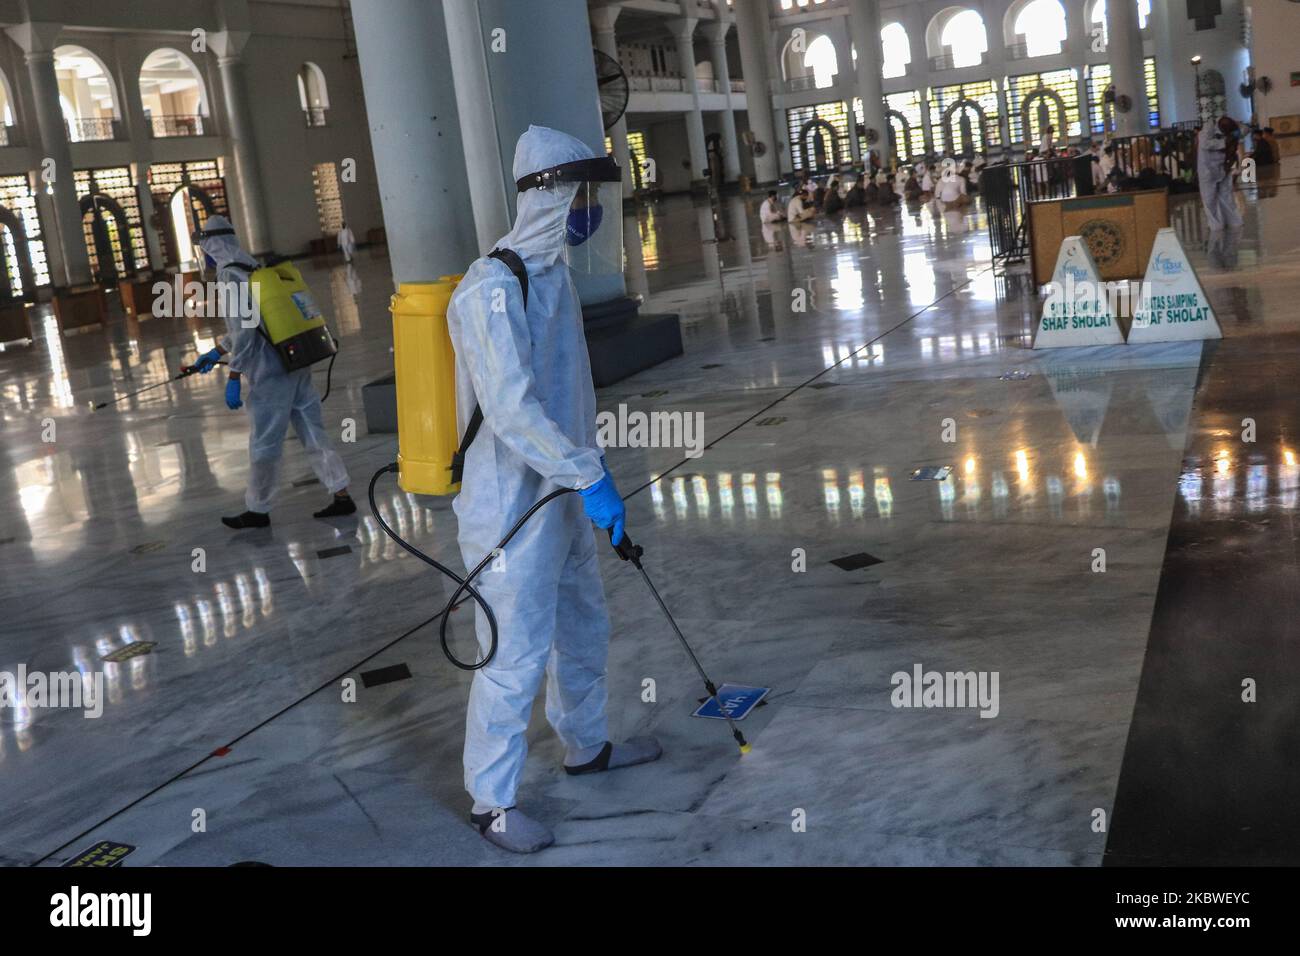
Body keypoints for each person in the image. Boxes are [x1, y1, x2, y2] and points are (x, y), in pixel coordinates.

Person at [445, 126, 661, 854]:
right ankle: (492, 803)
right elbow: (511, 412)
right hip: (507, 507)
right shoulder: (487, 290)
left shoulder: (555, 279)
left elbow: (568, 395)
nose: (589, 209)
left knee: (581, 623)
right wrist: (587, 474)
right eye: (582, 195)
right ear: (550, 196)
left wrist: (586, 474)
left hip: (564, 493)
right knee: (513, 652)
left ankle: (586, 745)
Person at [188, 216, 354, 528]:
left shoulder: (227, 275)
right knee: (314, 433)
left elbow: (246, 331)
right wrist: (215, 352)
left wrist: (234, 375)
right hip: (294, 359)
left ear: (211, 245)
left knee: (264, 443)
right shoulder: (251, 265)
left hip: (268, 373)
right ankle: (341, 494)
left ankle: (258, 509)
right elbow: (256, 323)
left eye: (205, 247)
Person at [1197, 115, 1244, 231]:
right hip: (1207, 169)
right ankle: (1216, 226)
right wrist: (1224, 142)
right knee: (1209, 199)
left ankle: (1235, 223)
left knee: (1227, 196)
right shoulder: (1209, 127)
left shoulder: (1233, 131)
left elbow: (1244, 131)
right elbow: (1205, 144)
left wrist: (1235, 136)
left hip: (1223, 167)